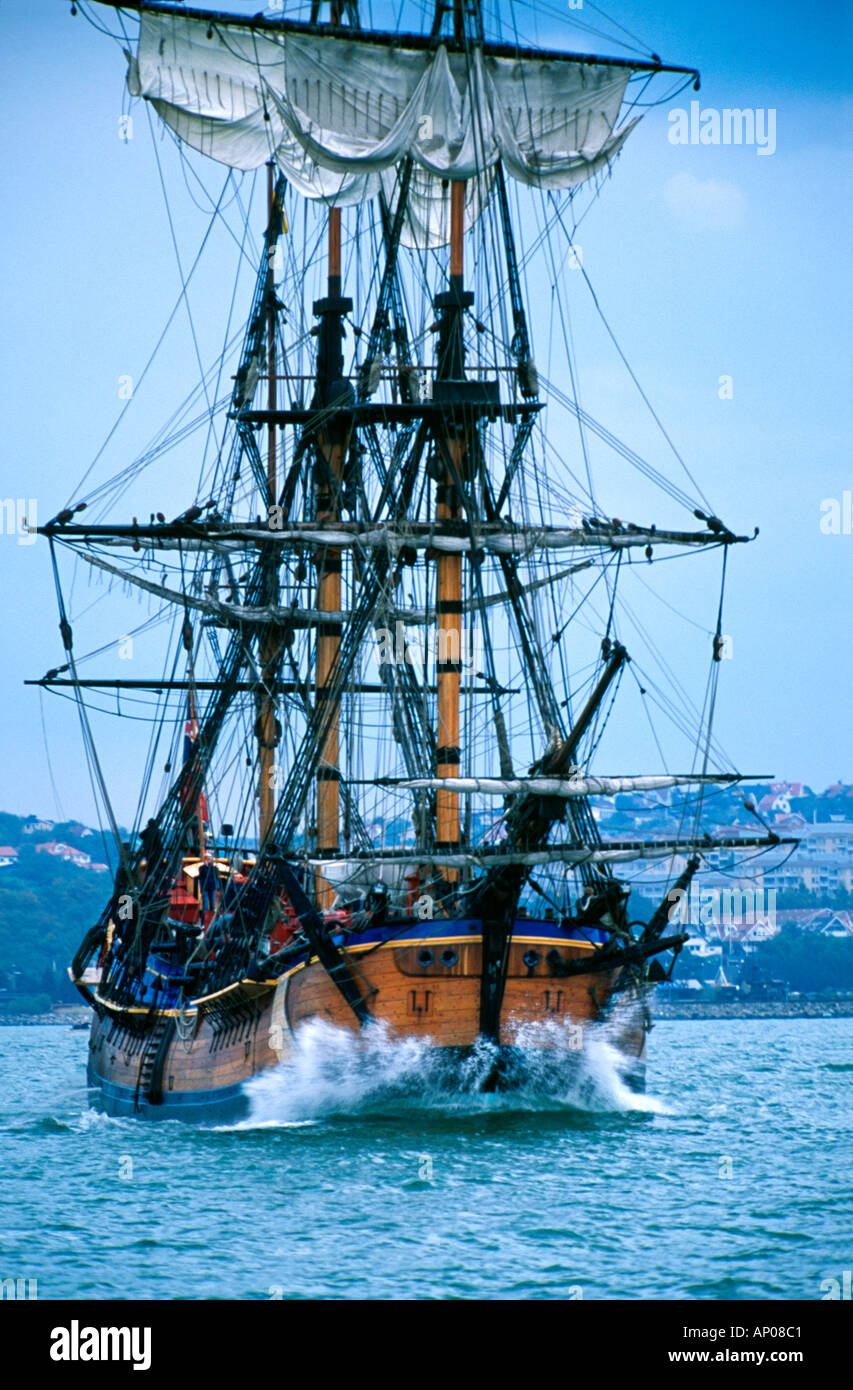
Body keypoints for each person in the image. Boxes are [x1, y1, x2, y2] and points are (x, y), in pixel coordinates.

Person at [198, 850, 219, 916]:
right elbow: (204, 874)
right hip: (205, 888)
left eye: (210, 859)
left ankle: (211, 920)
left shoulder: (214, 868)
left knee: (213, 905)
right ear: (205, 860)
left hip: (212, 888)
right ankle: (203, 921)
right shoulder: (202, 868)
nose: (209, 861)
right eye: (208, 859)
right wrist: (206, 866)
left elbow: (217, 874)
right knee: (205, 905)